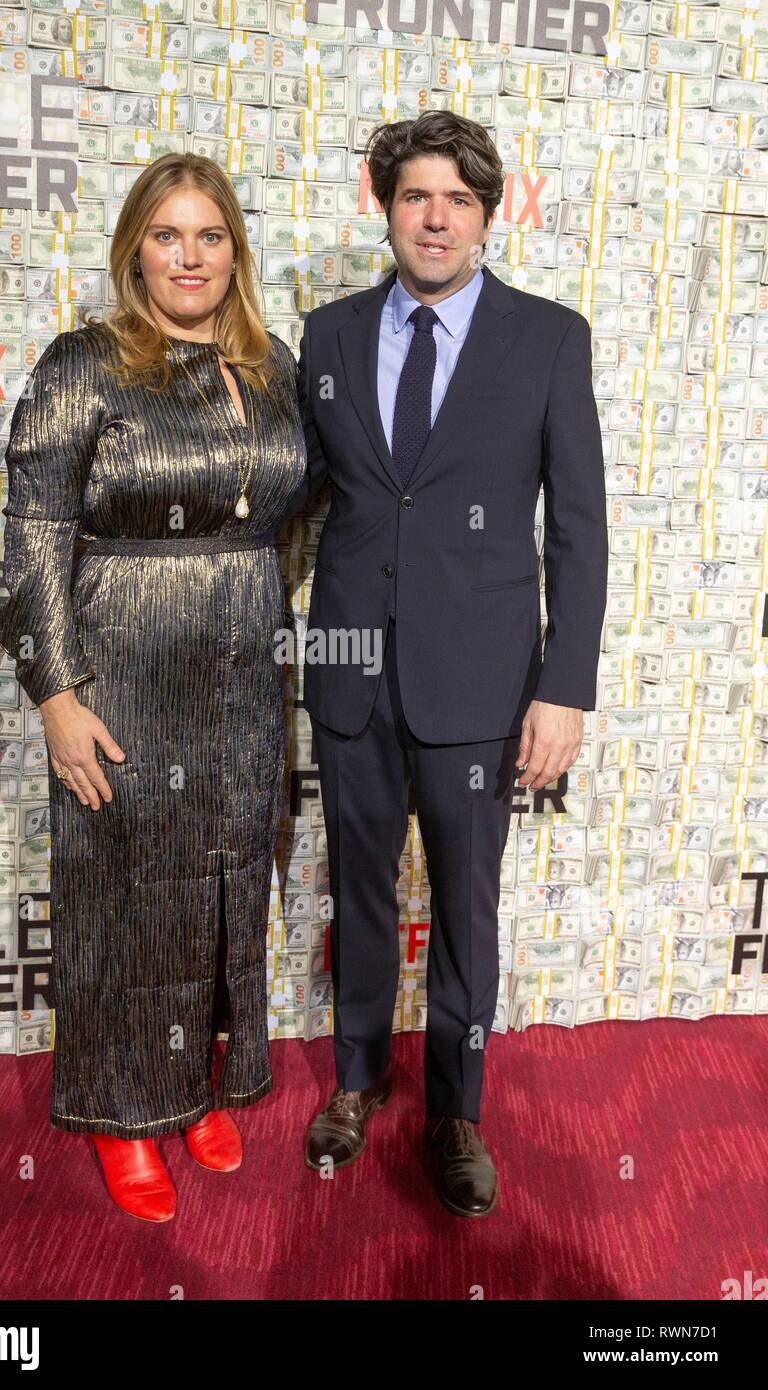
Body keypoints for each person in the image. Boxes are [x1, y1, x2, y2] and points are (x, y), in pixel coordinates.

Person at [282, 111, 608, 1217]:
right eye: (415, 195)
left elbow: (579, 527)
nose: (435, 217)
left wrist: (564, 685)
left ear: (487, 214)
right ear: (385, 204)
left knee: (468, 907)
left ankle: (456, 1109)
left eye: (457, 200)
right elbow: (304, 493)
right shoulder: (324, 336)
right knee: (360, 894)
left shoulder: (548, 338)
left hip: (480, 680)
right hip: (351, 675)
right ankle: (357, 1077)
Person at [0, 152, 306, 1223]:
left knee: (222, 884)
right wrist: (58, 694)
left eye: (209, 236)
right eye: (166, 235)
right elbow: (32, 539)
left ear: (234, 252)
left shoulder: (272, 367)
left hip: (243, 669)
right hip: (123, 666)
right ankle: (125, 1112)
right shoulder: (84, 363)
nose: (189, 256)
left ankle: (190, 1085)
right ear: (134, 248)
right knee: (123, 894)